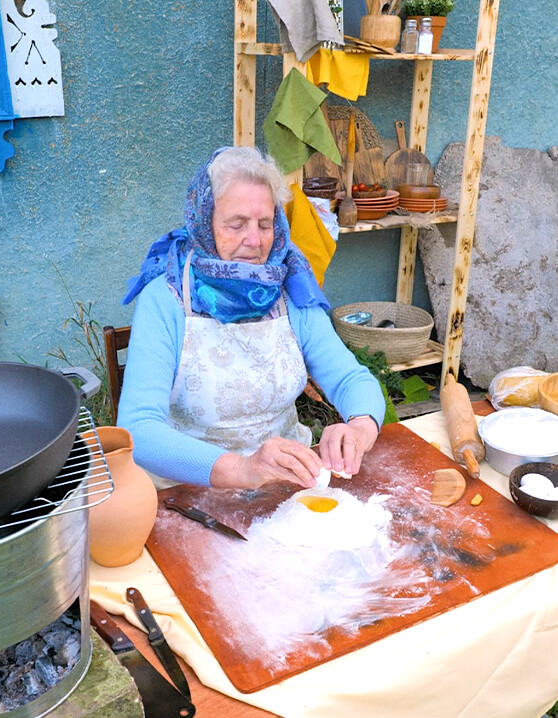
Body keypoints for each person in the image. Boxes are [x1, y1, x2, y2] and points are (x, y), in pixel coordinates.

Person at [118, 146, 384, 489]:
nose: (255, 241)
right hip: (189, 493)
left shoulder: (290, 287)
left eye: (265, 224)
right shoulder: (166, 299)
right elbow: (139, 429)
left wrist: (359, 428)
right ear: (204, 223)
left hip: (287, 486)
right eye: (236, 225)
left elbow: (351, 380)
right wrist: (241, 470)